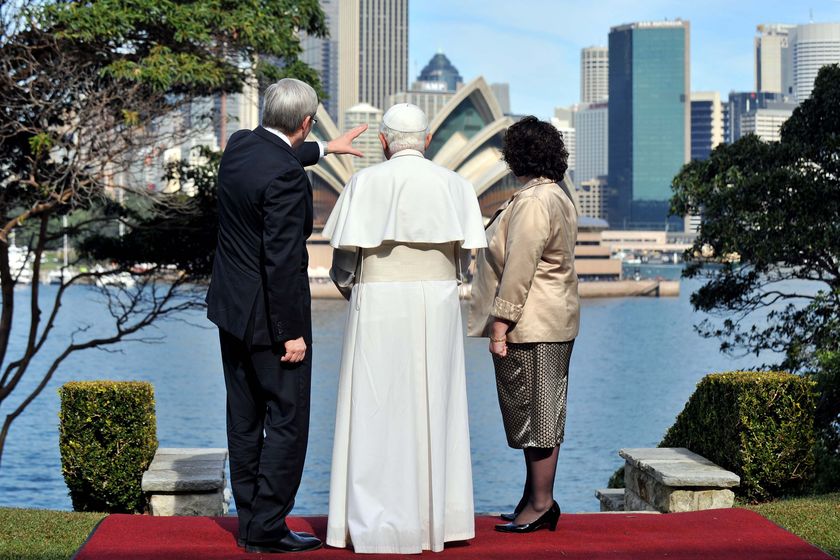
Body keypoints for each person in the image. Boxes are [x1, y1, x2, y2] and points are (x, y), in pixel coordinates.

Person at [206, 78, 366, 554]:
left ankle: (252, 521)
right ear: (304, 122)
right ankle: (269, 528)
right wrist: (291, 333)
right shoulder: (288, 178)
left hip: (230, 312)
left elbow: (274, 157)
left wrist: (323, 149)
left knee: (244, 417)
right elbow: (281, 261)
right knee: (288, 420)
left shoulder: (239, 146)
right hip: (271, 320)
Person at [322, 103, 486, 554]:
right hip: (438, 303)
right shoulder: (456, 185)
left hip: (376, 302)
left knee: (375, 410)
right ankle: (440, 521)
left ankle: (375, 524)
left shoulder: (364, 182)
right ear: (428, 140)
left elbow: (343, 264)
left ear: (383, 141)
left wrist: (355, 290)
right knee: (437, 405)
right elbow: (465, 259)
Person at [467, 116, 579, 534]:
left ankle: (541, 503)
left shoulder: (534, 202)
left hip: (533, 323)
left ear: (516, 157)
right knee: (536, 410)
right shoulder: (554, 195)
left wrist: (501, 324)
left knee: (537, 414)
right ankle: (532, 497)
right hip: (549, 319)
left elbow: (519, 267)